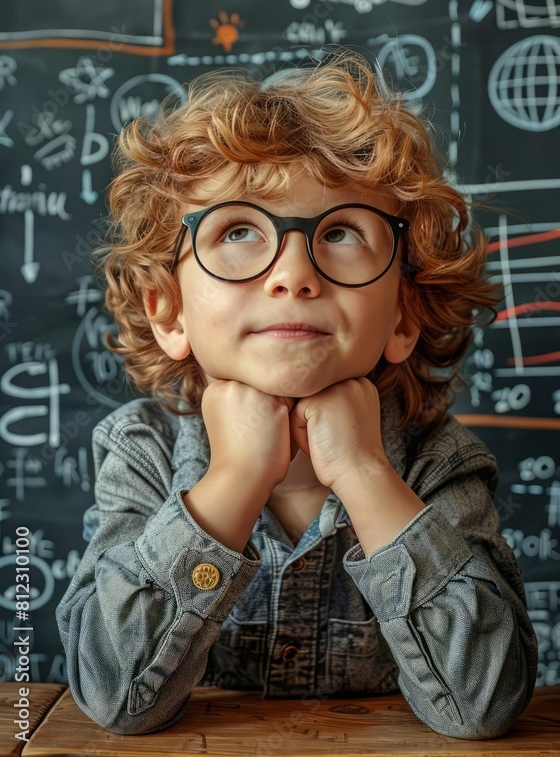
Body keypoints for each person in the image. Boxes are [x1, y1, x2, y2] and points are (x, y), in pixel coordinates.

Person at [56, 50, 537, 738]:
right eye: (238, 231)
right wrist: (233, 479)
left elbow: (485, 704)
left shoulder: (438, 462)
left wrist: (364, 472)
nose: (292, 273)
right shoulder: (143, 453)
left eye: (339, 233)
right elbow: (114, 698)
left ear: (403, 317)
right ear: (170, 312)